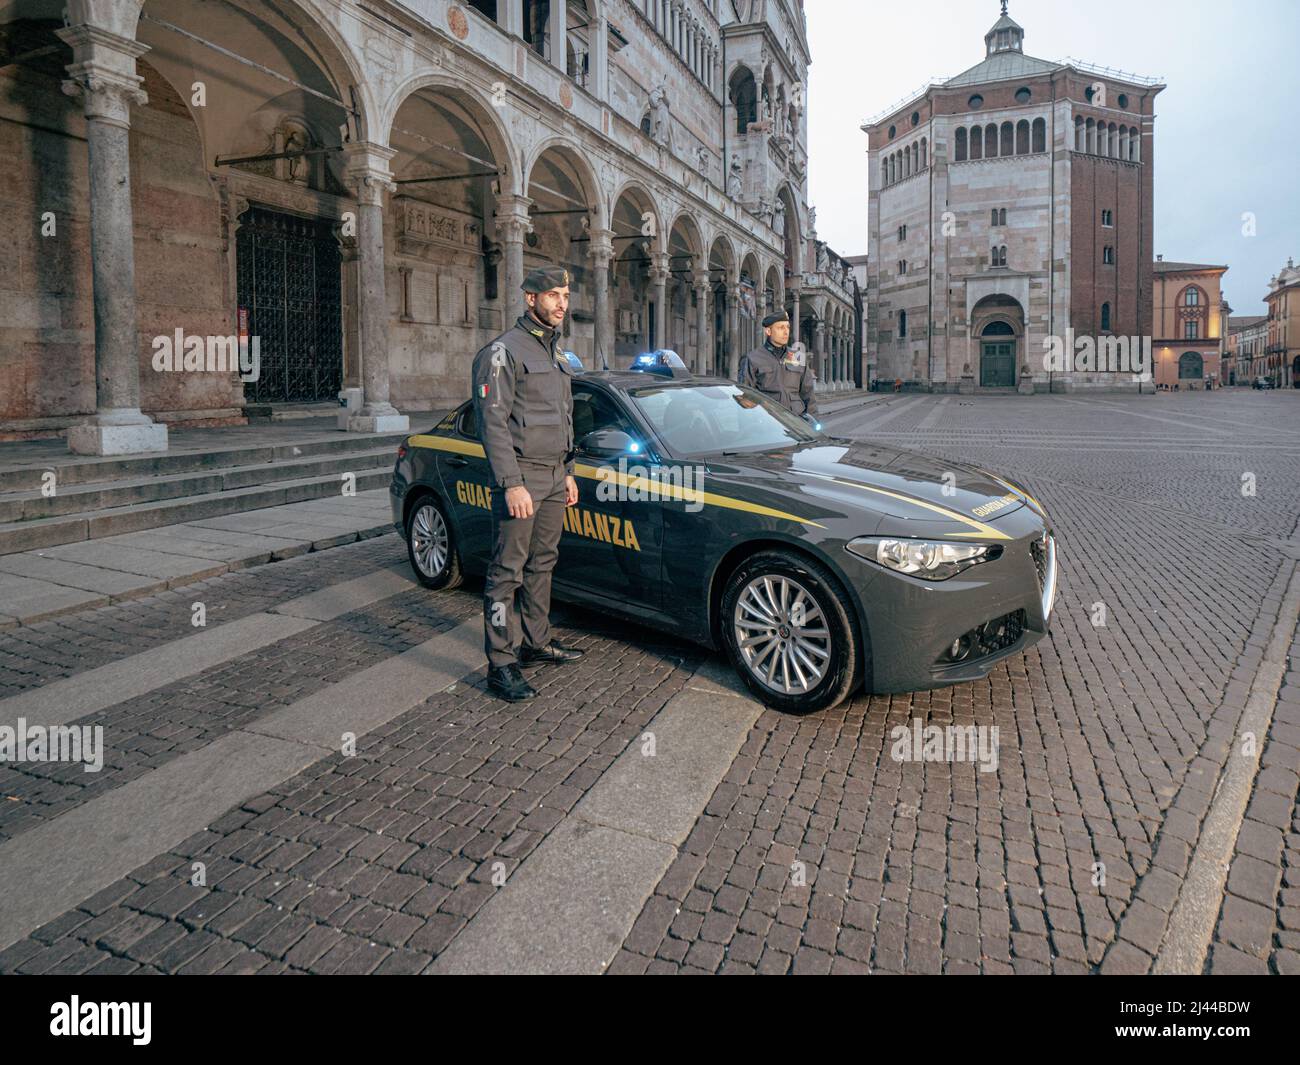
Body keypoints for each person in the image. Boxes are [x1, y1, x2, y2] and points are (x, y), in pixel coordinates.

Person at [470, 266, 585, 702]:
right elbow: (492, 423)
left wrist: (568, 472)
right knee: (506, 572)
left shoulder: (556, 352)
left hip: (555, 474)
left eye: (565, 296)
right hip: (521, 477)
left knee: (543, 563)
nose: (561, 303)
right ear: (530, 299)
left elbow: (566, 415)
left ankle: (535, 642)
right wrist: (511, 483)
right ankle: (500, 664)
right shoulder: (502, 351)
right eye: (552, 295)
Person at [737, 310, 818, 420]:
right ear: (768, 331)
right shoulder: (753, 359)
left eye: (787, 327)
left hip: (796, 423)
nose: (786, 332)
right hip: (768, 421)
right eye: (781, 328)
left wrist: (812, 421)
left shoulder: (797, 357)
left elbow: (808, 393)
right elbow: (745, 396)